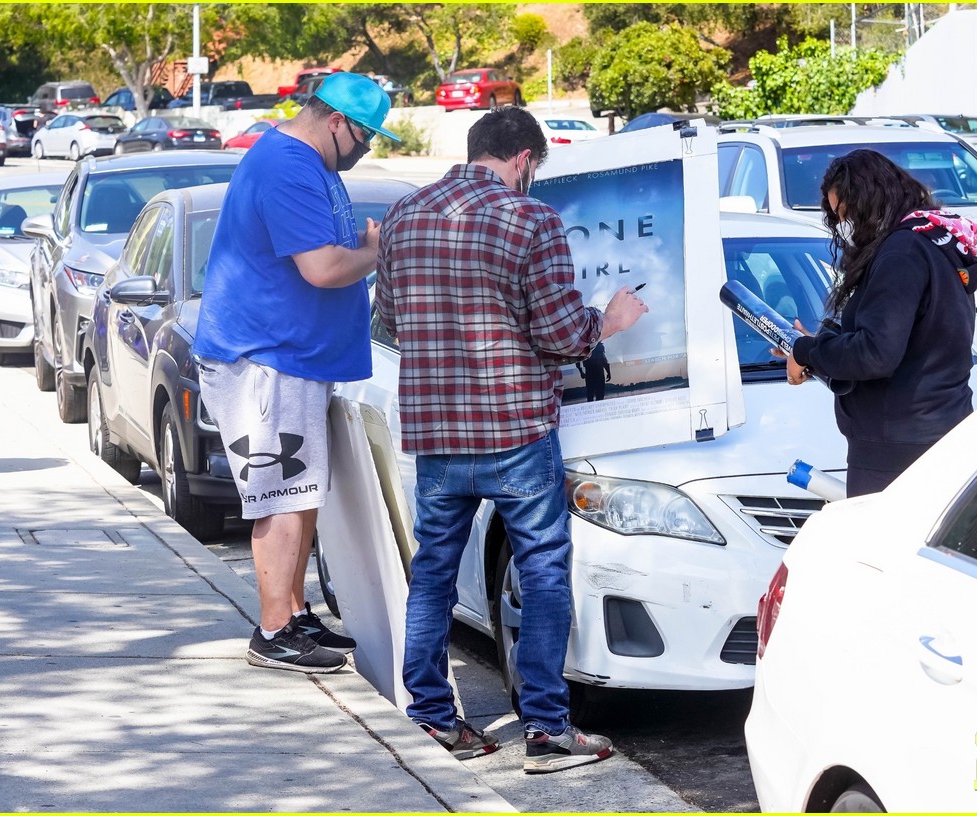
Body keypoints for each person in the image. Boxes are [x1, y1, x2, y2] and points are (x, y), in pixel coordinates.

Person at [375, 106, 647, 773]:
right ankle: (548, 731)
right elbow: (559, 335)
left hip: (438, 430)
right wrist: (606, 321)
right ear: (525, 159)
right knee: (543, 573)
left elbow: (389, 318)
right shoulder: (533, 221)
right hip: (515, 428)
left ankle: (433, 719)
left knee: (433, 574)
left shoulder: (405, 216)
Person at [192, 72, 401, 674]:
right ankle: (274, 631)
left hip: (291, 358)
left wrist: (361, 246)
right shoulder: (288, 167)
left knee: (301, 492)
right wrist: (374, 252)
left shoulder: (313, 165)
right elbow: (325, 268)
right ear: (336, 121)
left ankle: (293, 611)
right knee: (280, 494)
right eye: (366, 136)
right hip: (264, 359)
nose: (368, 149)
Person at [777, 149, 977, 497]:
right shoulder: (933, 239)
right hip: (939, 429)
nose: (845, 226)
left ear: (871, 201)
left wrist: (808, 350)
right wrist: (819, 347)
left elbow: (877, 353)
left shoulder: (901, 252)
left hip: (896, 449)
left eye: (847, 214)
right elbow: (912, 338)